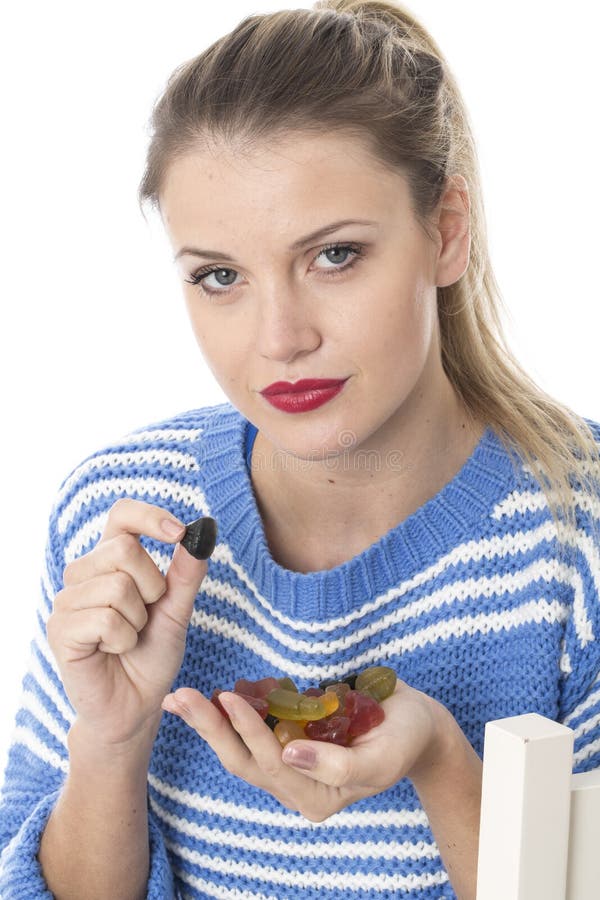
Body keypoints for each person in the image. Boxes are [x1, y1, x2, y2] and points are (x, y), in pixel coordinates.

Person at [1, 1, 600, 897]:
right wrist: (112, 740)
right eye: (219, 277)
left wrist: (442, 759)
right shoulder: (119, 509)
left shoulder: (578, 534)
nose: (279, 339)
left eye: (333, 257)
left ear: (445, 233)